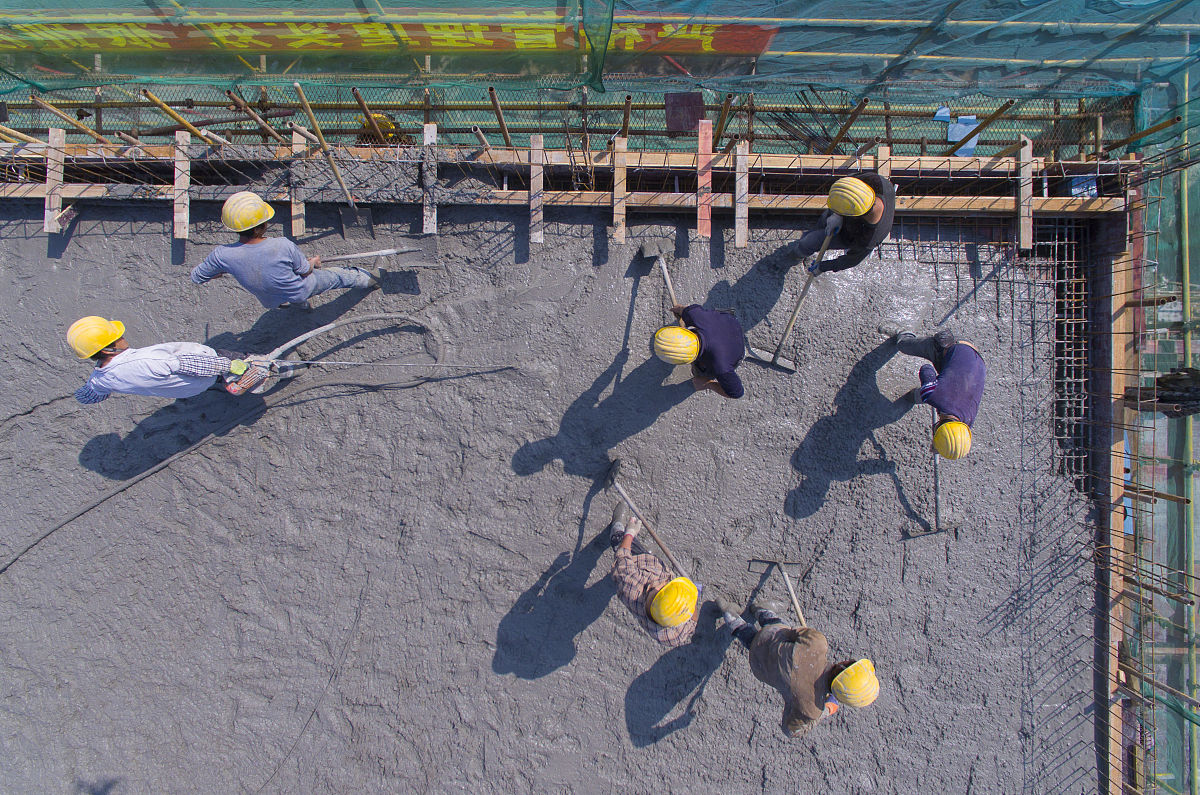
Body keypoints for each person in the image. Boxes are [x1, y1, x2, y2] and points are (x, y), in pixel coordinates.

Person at [717, 598, 879, 738]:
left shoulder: (818, 644)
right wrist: (823, 711)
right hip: (759, 666)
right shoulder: (810, 709)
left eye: (851, 662)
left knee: (782, 629)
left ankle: (761, 610)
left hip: (769, 637)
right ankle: (731, 617)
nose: (850, 659)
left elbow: (793, 633)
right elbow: (790, 731)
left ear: (842, 666)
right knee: (756, 644)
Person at [190, 191, 376, 310]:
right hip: (300, 288)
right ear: (261, 226)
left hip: (270, 300)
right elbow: (304, 271)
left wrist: (222, 270)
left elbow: (197, 277)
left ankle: (302, 307)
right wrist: (313, 262)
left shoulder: (222, 255)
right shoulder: (281, 245)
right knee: (339, 276)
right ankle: (372, 279)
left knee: (288, 297)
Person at [67, 316, 276, 403]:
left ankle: (225, 379)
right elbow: (193, 364)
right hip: (202, 371)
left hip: (184, 390)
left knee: (213, 376)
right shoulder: (148, 361)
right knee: (245, 364)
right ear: (107, 350)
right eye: (117, 337)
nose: (122, 338)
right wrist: (230, 365)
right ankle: (271, 374)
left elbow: (86, 397)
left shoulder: (99, 380)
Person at [883, 326, 985, 460]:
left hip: (976, 360)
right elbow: (927, 368)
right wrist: (932, 384)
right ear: (936, 428)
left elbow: (954, 438)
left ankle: (911, 396)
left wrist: (944, 443)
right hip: (951, 346)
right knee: (904, 345)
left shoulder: (967, 422)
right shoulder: (933, 394)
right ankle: (903, 333)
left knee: (924, 393)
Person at [607, 502, 699, 647]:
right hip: (653, 567)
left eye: (666, 585)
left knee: (620, 542)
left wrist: (630, 533)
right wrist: (689, 600)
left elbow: (622, 558)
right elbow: (693, 618)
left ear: (656, 591)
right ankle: (648, 555)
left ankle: (616, 527)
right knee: (651, 558)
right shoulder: (676, 635)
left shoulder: (631, 584)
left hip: (638, 564)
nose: (668, 580)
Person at [794, 174, 895, 275]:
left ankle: (797, 255)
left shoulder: (869, 238)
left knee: (810, 241)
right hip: (843, 207)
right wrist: (837, 215)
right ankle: (804, 243)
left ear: (854, 216)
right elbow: (848, 183)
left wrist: (823, 267)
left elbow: (851, 260)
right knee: (823, 221)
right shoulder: (876, 182)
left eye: (841, 212)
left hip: (848, 236)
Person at [652, 304, 745, 399]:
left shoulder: (720, 366)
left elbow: (737, 393)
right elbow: (683, 309)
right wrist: (680, 310)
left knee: (701, 371)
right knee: (710, 316)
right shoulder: (694, 314)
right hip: (730, 320)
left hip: (738, 351)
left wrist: (709, 384)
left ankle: (703, 374)